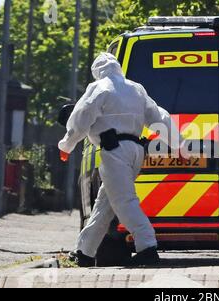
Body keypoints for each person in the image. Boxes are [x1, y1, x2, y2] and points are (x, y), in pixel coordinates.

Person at [58, 53, 181, 267]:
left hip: (114, 150)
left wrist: (67, 145)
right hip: (135, 150)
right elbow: (158, 116)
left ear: (97, 71)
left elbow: (81, 117)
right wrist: (176, 142)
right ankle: (84, 252)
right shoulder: (136, 88)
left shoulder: (99, 87)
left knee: (124, 201)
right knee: (105, 205)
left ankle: (147, 246)